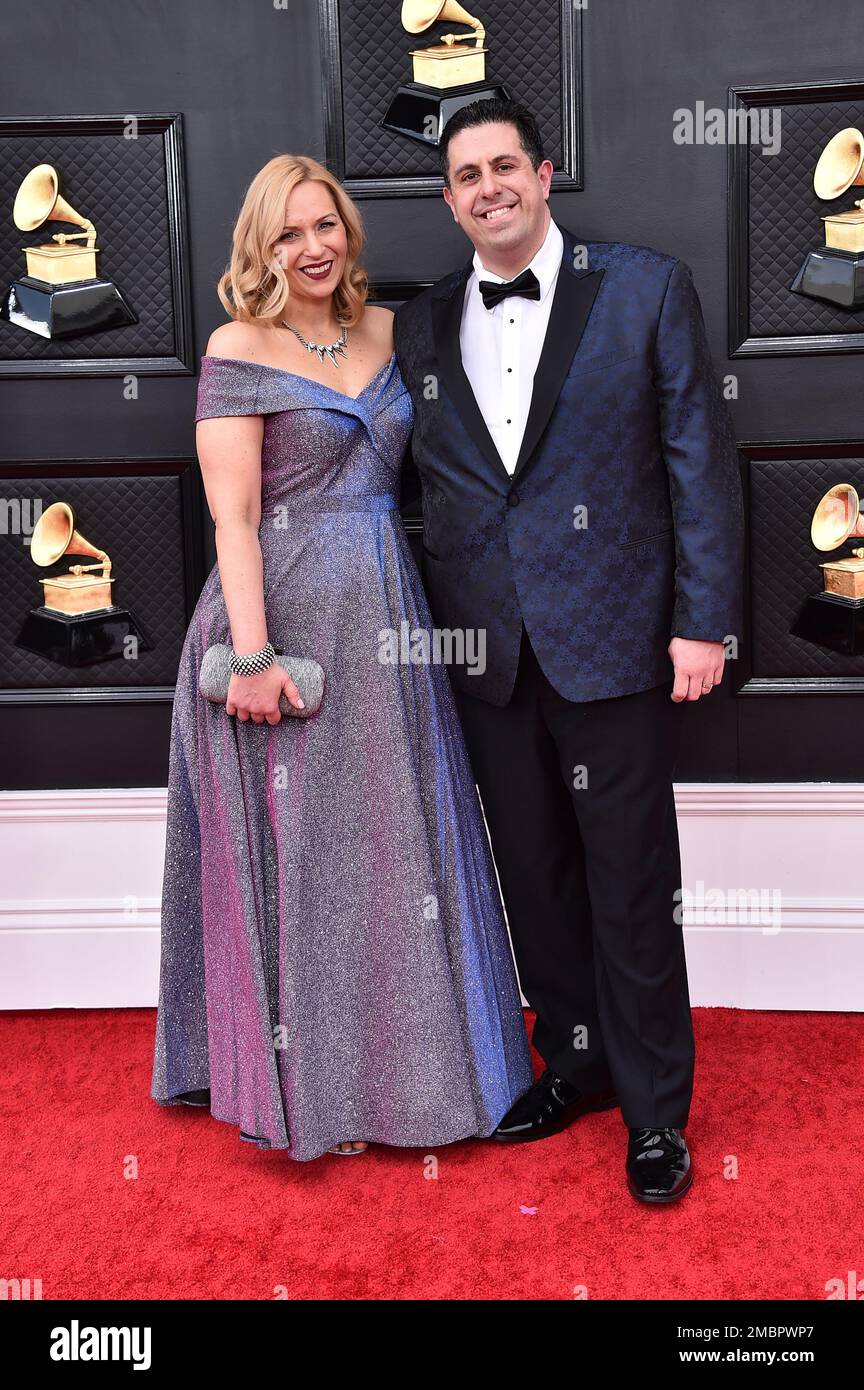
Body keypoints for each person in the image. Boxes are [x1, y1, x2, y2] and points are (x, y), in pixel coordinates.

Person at [394, 98, 745, 1204]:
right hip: (488, 650)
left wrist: (704, 620)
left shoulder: (643, 286)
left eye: (505, 164)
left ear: (544, 174)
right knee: (535, 881)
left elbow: (698, 459)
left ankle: (655, 1114)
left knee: (633, 886)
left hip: (619, 640)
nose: (488, 185)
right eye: (466, 174)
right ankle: (578, 1065)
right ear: (449, 198)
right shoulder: (424, 320)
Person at [150, 153, 534, 1161]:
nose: (313, 247)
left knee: (391, 848)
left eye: (326, 226)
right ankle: (306, 1092)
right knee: (304, 859)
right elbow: (232, 519)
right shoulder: (240, 345)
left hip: (384, 612)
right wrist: (254, 655)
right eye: (290, 233)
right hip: (280, 619)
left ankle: (415, 1085)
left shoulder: (388, 334)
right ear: (261, 247)